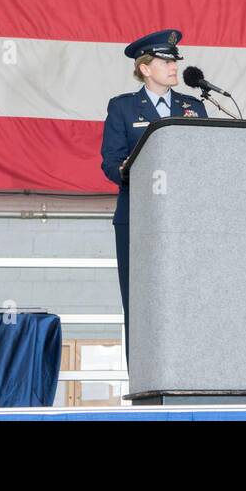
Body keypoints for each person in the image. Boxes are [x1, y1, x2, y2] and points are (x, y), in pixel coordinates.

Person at [99, 29, 207, 356]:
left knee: (187, 297)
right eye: (166, 60)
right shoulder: (124, 108)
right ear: (145, 68)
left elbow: (205, 159)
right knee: (140, 300)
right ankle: (143, 379)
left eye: (175, 60)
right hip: (137, 217)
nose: (174, 66)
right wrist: (134, 172)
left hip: (185, 219)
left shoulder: (194, 108)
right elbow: (110, 163)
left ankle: (188, 369)